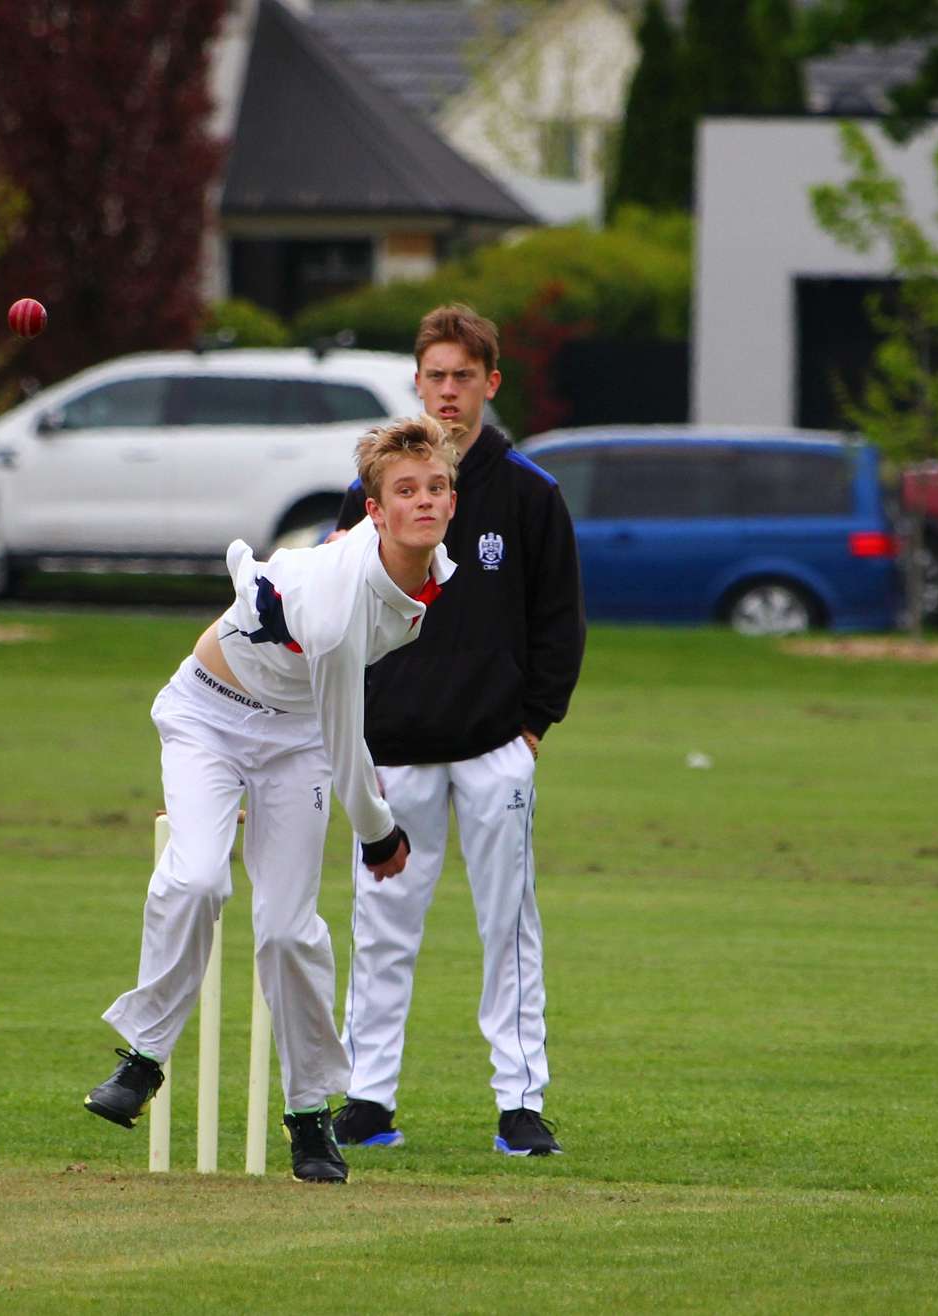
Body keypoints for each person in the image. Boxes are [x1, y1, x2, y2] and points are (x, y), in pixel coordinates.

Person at [84, 416, 460, 1183]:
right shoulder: (338, 602)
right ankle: (144, 1058)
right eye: (405, 492)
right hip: (209, 714)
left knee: (289, 934)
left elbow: (324, 731)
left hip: (293, 739)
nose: (425, 501)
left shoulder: (436, 568)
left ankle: (309, 1117)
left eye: (437, 487)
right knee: (197, 880)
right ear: (373, 512)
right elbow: (348, 741)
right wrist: (379, 834)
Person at [328, 304, 585, 1157]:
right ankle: (367, 1099)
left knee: (508, 926)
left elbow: (559, 623)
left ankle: (520, 1104)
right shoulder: (374, 490)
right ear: (417, 381)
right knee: (382, 927)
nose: (448, 391)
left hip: (492, 751)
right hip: (393, 750)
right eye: (435, 375)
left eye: (463, 377)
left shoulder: (530, 494)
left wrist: (532, 730)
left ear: (489, 384)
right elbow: (331, 610)